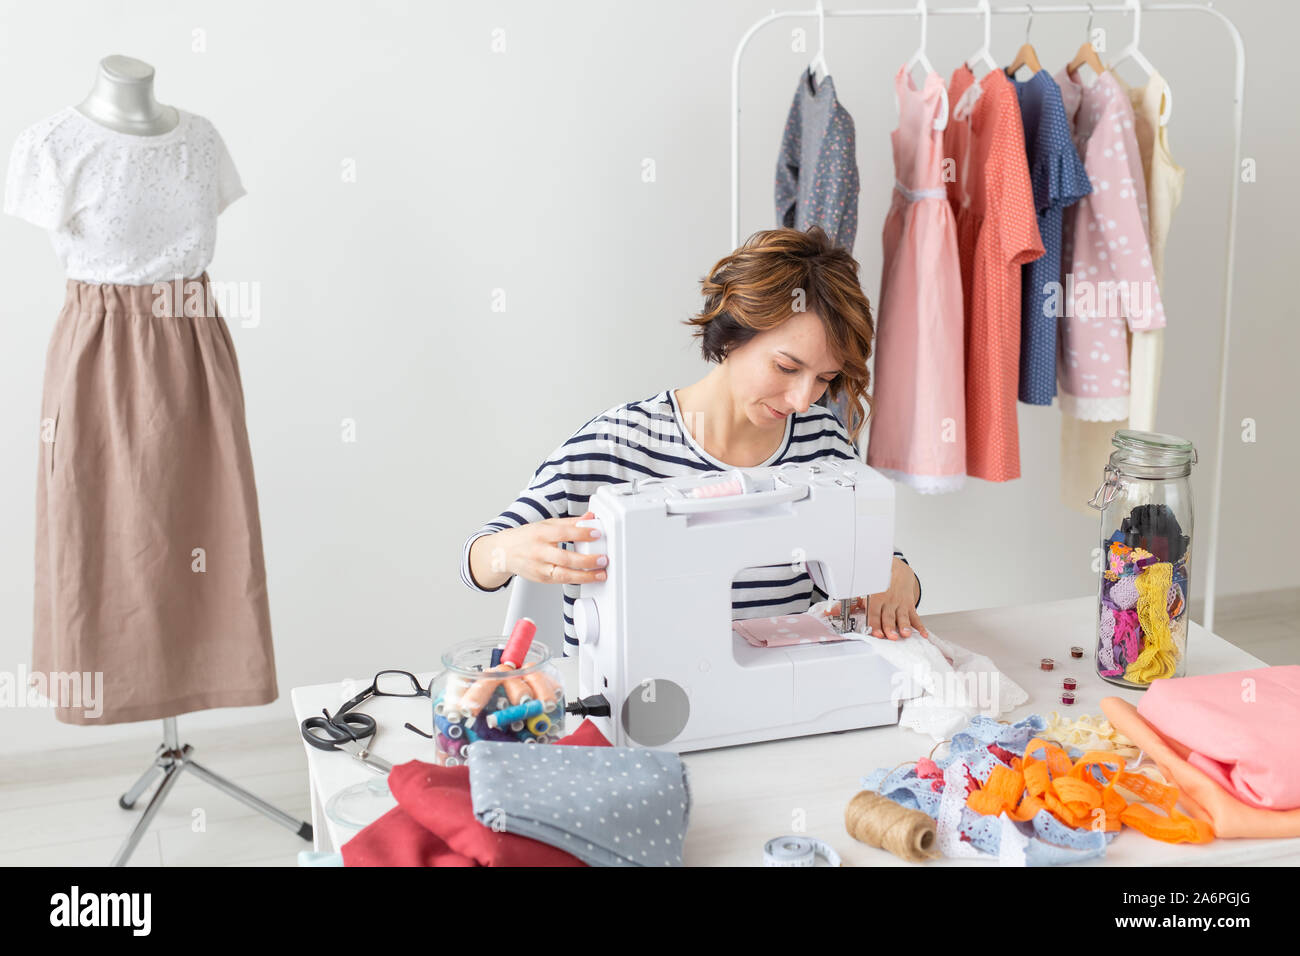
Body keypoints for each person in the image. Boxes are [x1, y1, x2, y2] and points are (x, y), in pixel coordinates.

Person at [461, 226, 927, 656]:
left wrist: (899, 575)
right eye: (786, 368)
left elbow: (872, 558)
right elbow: (478, 559)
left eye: (824, 378)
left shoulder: (821, 443)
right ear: (730, 335)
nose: (804, 400)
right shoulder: (617, 445)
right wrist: (509, 551)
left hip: (773, 696)